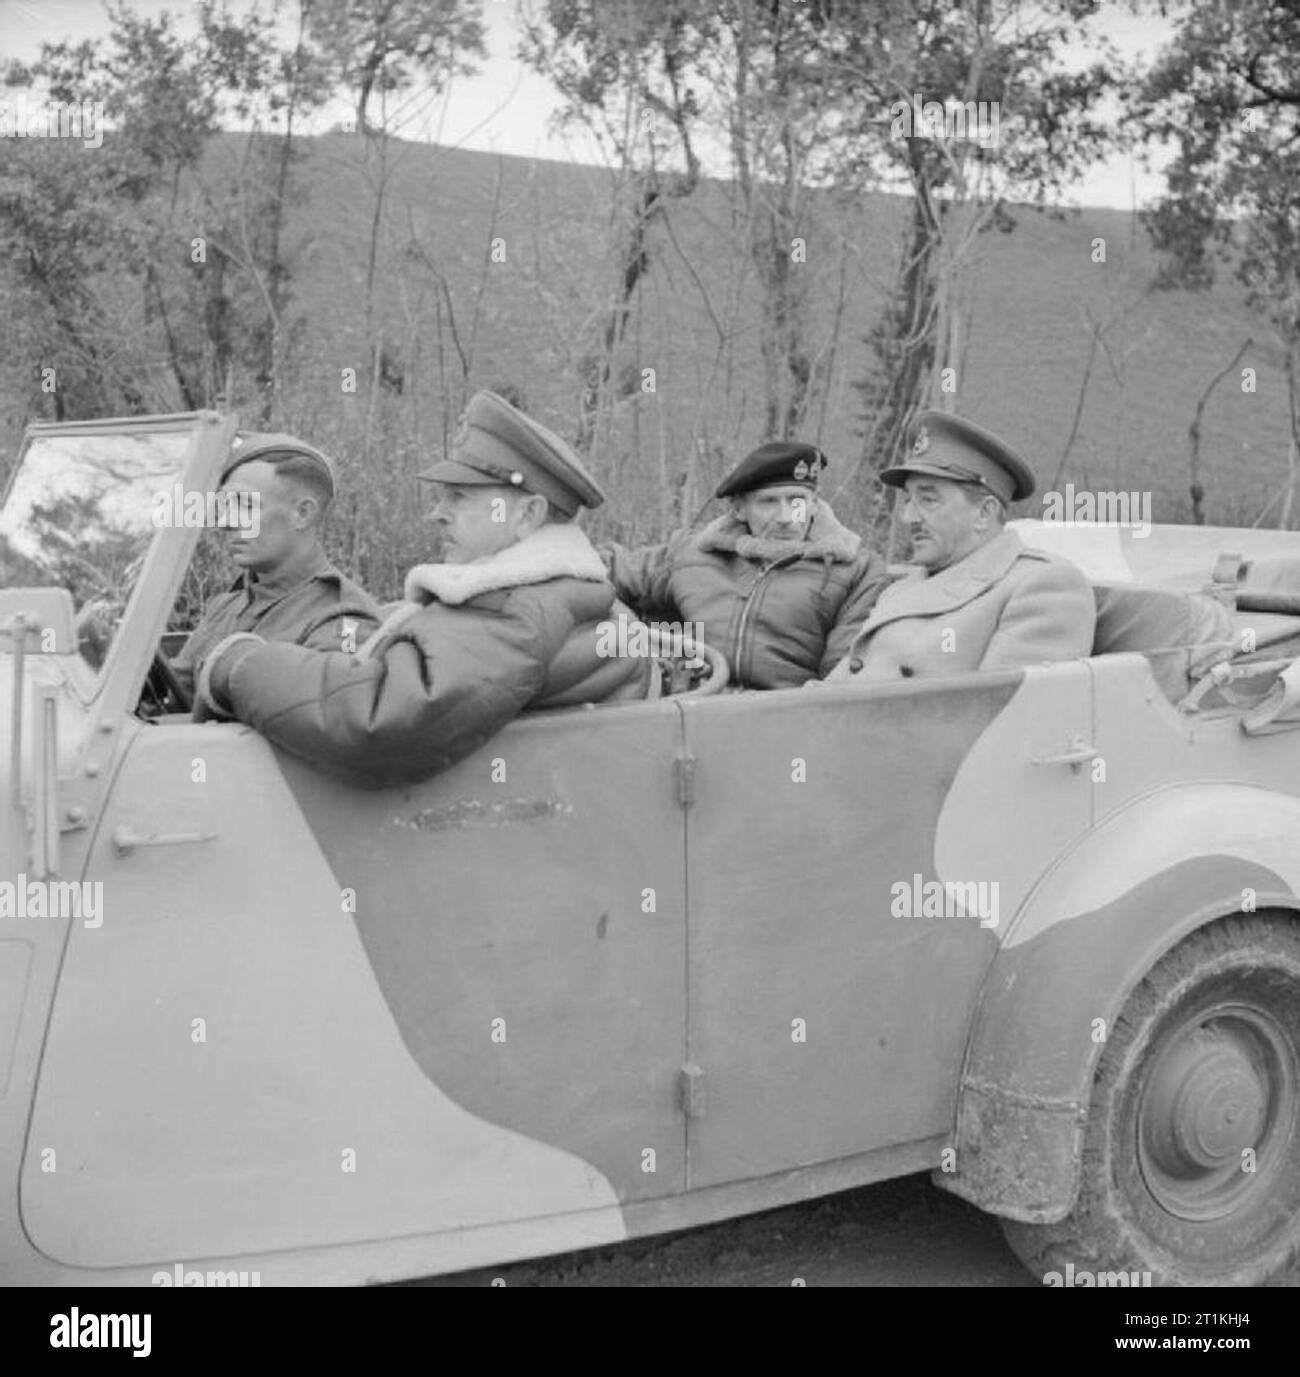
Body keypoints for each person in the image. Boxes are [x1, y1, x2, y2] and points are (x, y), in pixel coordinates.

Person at [194, 391, 653, 785]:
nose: (437, 513)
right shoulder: (529, 599)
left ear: (528, 515)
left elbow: (381, 720)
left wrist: (237, 663)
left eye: (459, 497)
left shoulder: (517, 609)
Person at [825, 411, 1095, 682]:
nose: (908, 517)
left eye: (929, 500)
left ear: (984, 513)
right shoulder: (899, 590)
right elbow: (829, 692)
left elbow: (1005, 704)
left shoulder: (1044, 586)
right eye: (908, 500)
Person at [601, 442, 890, 689]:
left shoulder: (854, 570)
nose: (785, 517)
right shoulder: (693, 552)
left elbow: (842, 678)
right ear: (739, 509)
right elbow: (600, 570)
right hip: (689, 704)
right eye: (768, 502)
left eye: (797, 501)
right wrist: (636, 638)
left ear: (814, 503)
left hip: (782, 716)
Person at [170, 433, 379, 704]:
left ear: (302, 514)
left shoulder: (343, 617)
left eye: (246, 506)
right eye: (224, 506)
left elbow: (323, 710)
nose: (225, 522)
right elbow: (176, 692)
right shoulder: (225, 607)